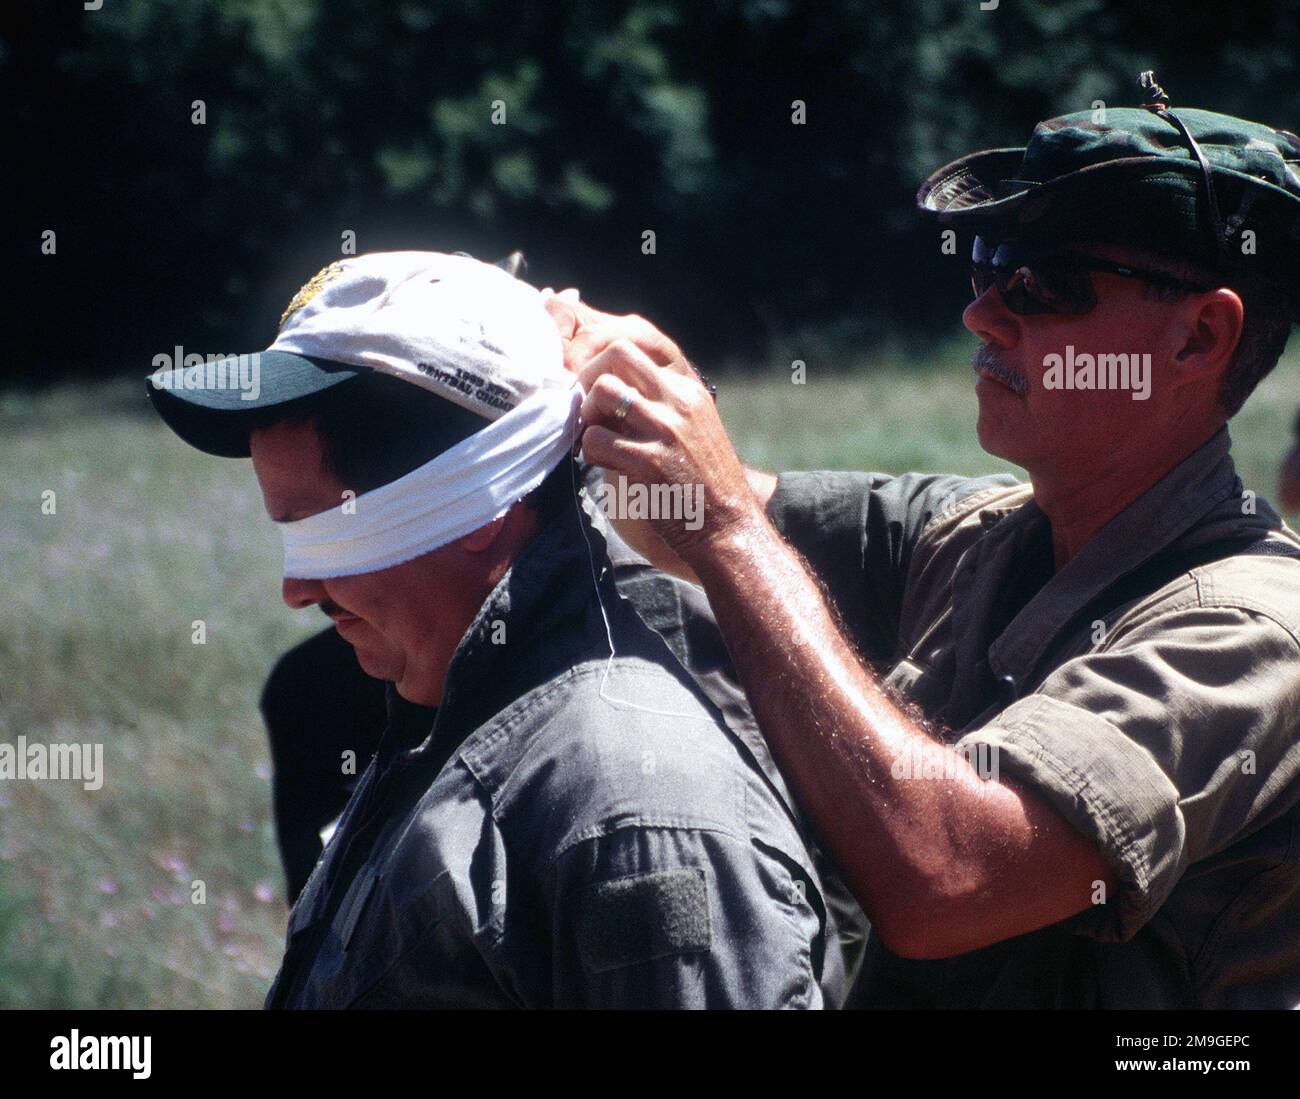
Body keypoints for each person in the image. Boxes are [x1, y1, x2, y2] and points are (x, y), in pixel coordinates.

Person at [555, 77, 1300, 1007]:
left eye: (1044, 284)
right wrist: (567, 371)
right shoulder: (984, 535)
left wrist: (728, 533)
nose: (982, 315)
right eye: (988, 265)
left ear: (1200, 337)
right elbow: (672, 507)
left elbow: (942, 877)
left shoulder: (1251, 638)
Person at [146, 250, 860, 1008]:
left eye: (323, 530)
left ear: (480, 502)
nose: (296, 588)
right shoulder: (440, 716)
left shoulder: (632, 810)